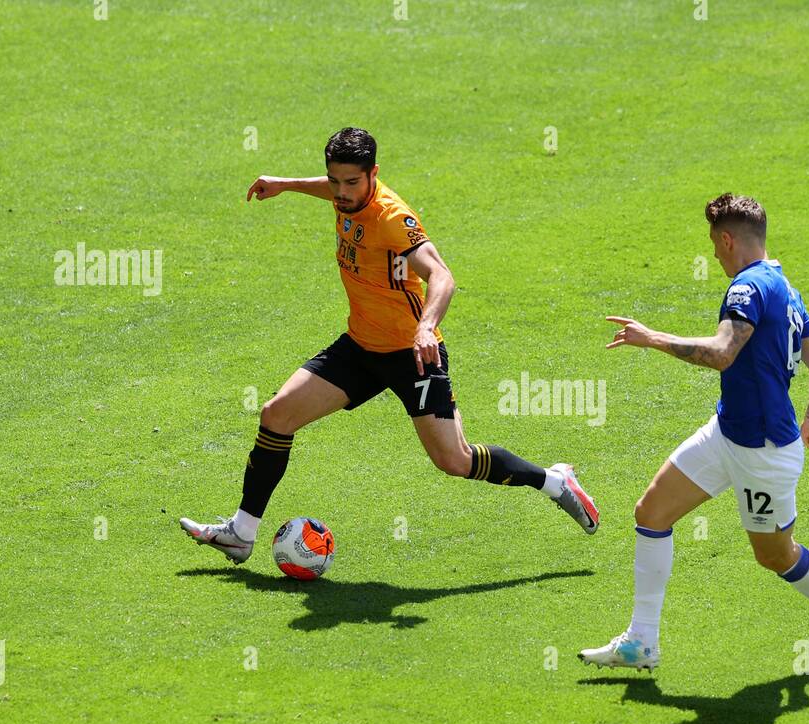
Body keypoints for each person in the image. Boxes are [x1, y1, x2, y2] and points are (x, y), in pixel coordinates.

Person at [181, 127, 598, 564]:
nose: (341, 192)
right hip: (360, 347)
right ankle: (241, 533)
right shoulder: (345, 194)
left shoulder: (392, 219)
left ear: (373, 174)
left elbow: (442, 276)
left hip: (413, 354)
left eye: (351, 182)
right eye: (335, 181)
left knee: (454, 460)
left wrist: (426, 328)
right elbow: (332, 188)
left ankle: (554, 482)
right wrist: (286, 184)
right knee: (276, 415)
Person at [579, 193, 809, 670]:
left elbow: (721, 353)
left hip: (762, 454)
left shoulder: (748, 288)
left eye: (714, 245)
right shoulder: (784, 288)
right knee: (651, 512)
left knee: (775, 556)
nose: (715, 256)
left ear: (727, 239)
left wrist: (651, 337)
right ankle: (641, 642)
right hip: (727, 433)